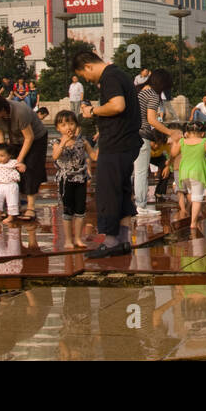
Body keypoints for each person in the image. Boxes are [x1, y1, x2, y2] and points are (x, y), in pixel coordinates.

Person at [72, 50, 142, 258]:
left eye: (84, 75)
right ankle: (123, 240)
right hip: (127, 143)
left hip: (116, 144)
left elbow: (117, 105)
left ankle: (111, 241)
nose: (87, 79)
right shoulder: (120, 74)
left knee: (108, 192)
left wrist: (93, 111)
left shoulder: (109, 77)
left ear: (87, 66)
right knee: (121, 191)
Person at [0, 92, 47, 222]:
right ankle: (15, 207)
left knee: (29, 169)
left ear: (2, 109)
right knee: (11, 171)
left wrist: (19, 160)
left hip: (35, 138)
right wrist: (0, 156)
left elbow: (29, 137)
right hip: (14, 139)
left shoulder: (20, 111)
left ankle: (30, 207)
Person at [136, 69, 177, 216]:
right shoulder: (153, 94)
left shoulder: (139, 91)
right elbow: (152, 120)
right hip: (142, 135)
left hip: (130, 134)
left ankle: (131, 203)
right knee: (141, 172)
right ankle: (140, 205)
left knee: (134, 172)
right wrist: (170, 132)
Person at [53, 111, 97, 247]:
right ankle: (68, 240)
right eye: (64, 125)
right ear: (58, 128)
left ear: (77, 126)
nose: (68, 127)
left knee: (80, 209)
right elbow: (55, 156)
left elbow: (94, 156)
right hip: (65, 180)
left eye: (71, 124)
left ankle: (78, 238)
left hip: (80, 179)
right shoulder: (57, 142)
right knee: (67, 210)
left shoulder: (82, 142)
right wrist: (64, 142)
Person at [171, 121, 206, 228]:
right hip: (198, 172)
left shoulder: (183, 141)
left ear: (187, 132)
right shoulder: (204, 141)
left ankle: (189, 212)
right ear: (202, 133)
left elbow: (173, 153)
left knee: (192, 193)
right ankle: (193, 223)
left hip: (184, 172)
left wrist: (175, 142)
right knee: (197, 199)